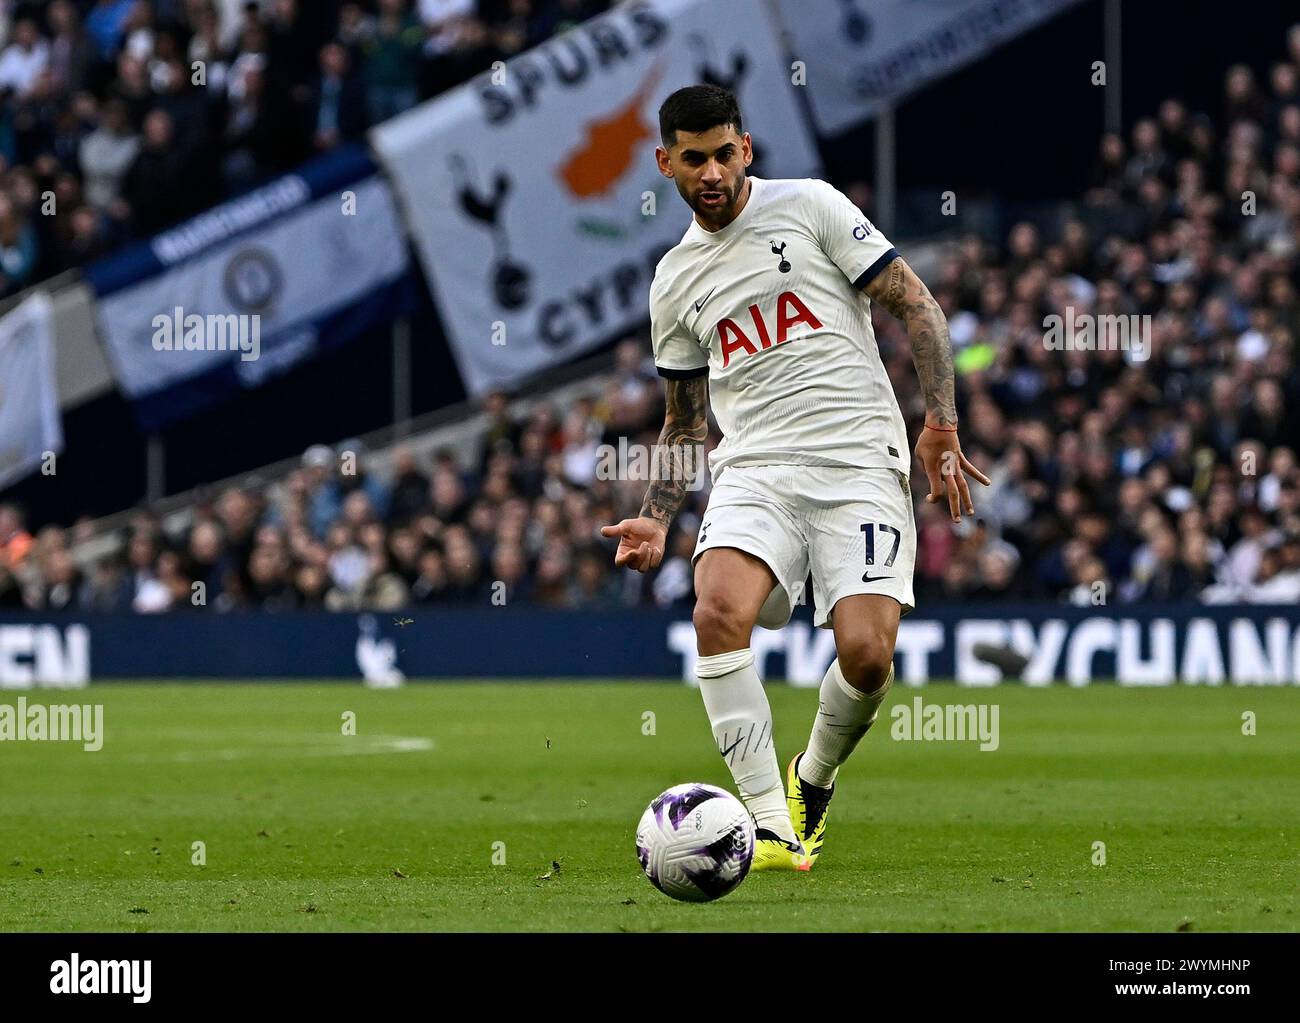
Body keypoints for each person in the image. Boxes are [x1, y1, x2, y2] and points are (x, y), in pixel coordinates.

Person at [600, 85, 989, 871]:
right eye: (693, 158)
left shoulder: (810, 206)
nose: (711, 172)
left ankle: (813, 776)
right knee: (717, 611)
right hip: (757, 470)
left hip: (858, 463)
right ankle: (772, 826)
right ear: (665, 162)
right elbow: (685, 420)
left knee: (868, 656)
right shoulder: (675, 280)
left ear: (745, 148)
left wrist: (940, 421)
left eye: (723, 154)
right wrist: (656, 515)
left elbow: (915, 303)